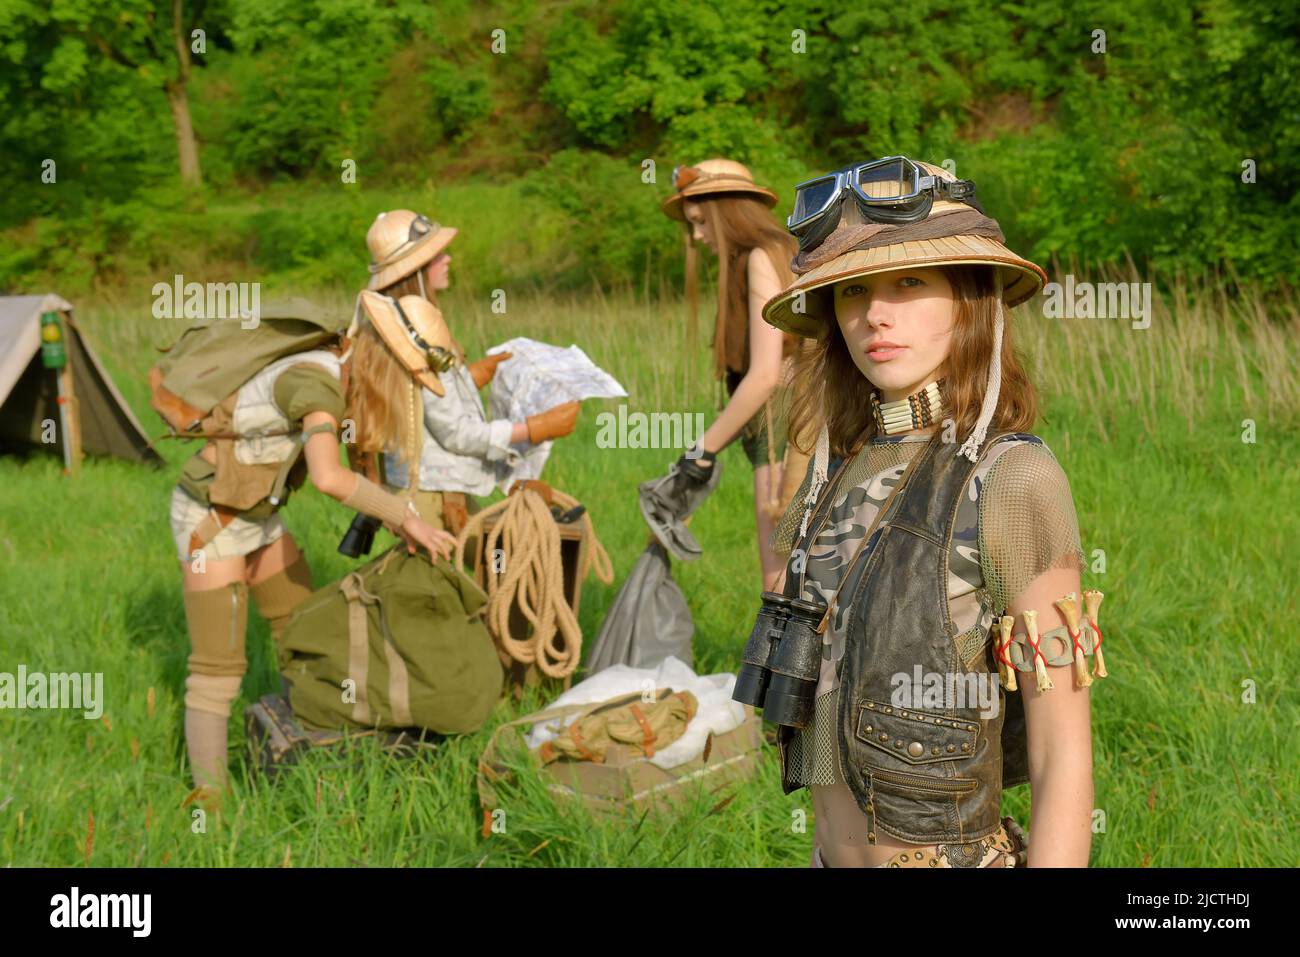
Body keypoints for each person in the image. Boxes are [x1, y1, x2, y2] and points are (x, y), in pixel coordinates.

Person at [760, 157, 1110, 867]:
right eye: (852, 288)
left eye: (909, 282)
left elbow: (1060, 750)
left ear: (969, 297)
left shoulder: (1012, 478)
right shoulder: (835, 470)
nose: (874, 313)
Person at [169, 301, 457, 809]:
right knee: (217, 671)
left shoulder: (335, 367)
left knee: (301, 633)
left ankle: (295, 756)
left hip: (257, 517)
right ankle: (208, 805)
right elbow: (327, 477)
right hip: (211, 526)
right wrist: (403, 517)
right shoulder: (317, 382)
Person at [362, 209, 579, 533]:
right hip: (428, 498)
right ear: (416, 270)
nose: (447, 259)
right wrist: (535, 429)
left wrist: (472, 376)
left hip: (437, 488)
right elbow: (457, 434)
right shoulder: (414, 335)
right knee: (477, 575)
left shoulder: (404, 323)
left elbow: (426, 402)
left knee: (490, 571)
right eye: (437, 255)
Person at [659, 159, 803, 590]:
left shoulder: (761, 256)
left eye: (702, 222)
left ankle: (780, 660)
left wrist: (701, 451)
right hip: (799, 425)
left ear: (729, 212)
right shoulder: (784, 250)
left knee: (779, 580)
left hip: (783, 430)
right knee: (803, 574)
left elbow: (765, 374)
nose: (699, 236)